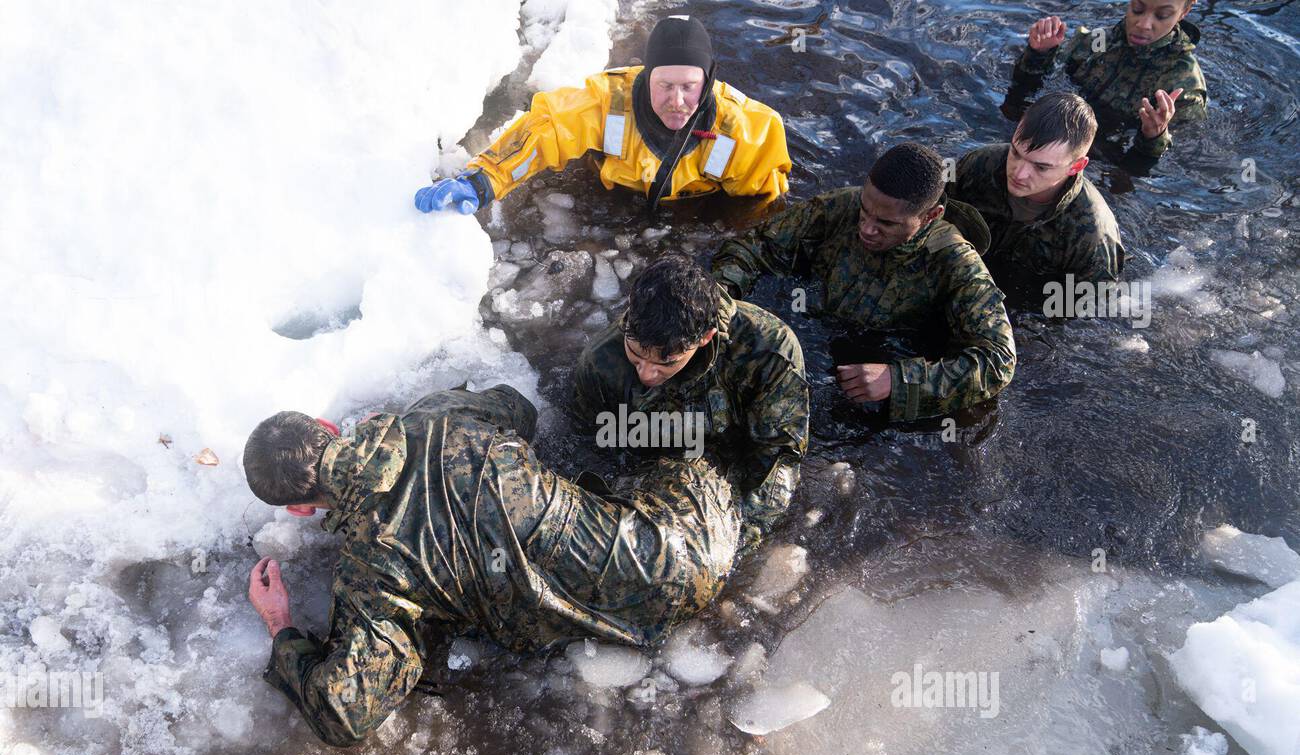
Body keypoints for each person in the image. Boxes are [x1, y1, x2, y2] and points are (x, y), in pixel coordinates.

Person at [243, 385, 739, 747]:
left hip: (655, 605)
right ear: (328, 429)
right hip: (696, 527)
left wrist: (279, 624)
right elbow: (518, 409)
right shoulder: (437, 414)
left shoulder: (370, 572)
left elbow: (345, 712)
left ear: (301, 509)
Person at [712, 143, 1016, 423]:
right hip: (815, 332)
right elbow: (755, 246)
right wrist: (720, 300)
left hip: (886, 364)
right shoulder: (842, 206)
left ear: (930, 216)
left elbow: (998, 361)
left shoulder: (956, 263)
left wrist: (898, 381)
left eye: (886, 224)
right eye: (865, 212)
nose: (867, 229)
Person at [413, 15, 792, 214]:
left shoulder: (748, 130)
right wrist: (483, 181)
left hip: (695, 211)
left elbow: (760, 208)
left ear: (708, 80)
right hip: (613, 195)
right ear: (646, 74)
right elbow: (544, 131)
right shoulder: (607, 102)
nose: (676, 100)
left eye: (689, 86)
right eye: (665, 85)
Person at [571, 252, 808, 559]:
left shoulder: (768, 352)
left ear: (705, 338)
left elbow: (777, 459)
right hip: (653, 456)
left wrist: (740, 541)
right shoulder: (601, 360)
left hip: (733, 455)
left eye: (665, 362)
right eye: (636, 355)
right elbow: (589, 441)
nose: (645, 373)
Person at [946, 92, 1125, 298]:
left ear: (1076, 166)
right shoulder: (979, 164)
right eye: (1015, 153)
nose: (1019, 174)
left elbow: (1085, 308)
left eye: (1041, 167)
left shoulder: (1094, 234)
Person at [1011, 1, 1208, 160]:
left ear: (1185, 11)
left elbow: (1173, 159)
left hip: (1110, 158)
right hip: (1058, 136)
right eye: (1137, 9)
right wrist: (1040, 53)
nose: (1143, 24)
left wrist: (1155, 134)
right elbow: (1028, 85)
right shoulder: (1100, 40)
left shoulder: (1185, 85)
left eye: (1162, 15)